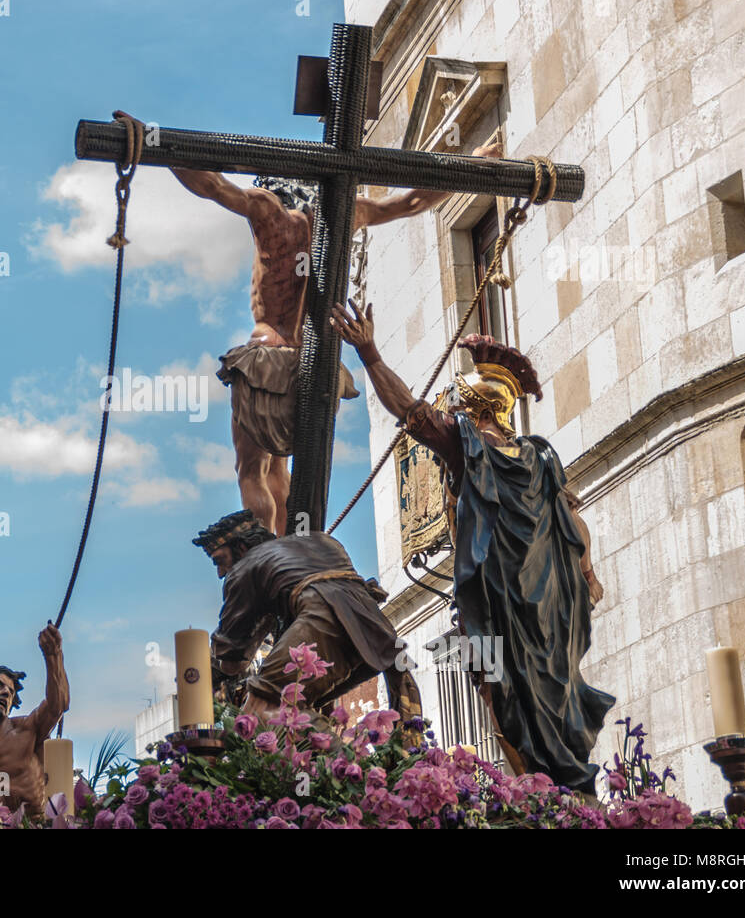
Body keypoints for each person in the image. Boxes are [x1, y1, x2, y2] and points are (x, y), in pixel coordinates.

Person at [330, 300, 613, 792]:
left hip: (500, 612)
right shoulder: (540, 458)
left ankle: (544, 804)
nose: (452, 411)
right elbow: (575, 525)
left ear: (475, 409)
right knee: (554, 709)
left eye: (459, 405)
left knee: (507, 706)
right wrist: (587, 577)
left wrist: (371, 354)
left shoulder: (469, 448)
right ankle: (570, 798)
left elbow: (409, 412)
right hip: (552, 617)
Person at [171, 140, 503, 536]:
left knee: (252, 468)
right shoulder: (348, 214)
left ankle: (263, 552)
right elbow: (413, 202)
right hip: (315, 364)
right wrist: (473, 164)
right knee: (281, 468)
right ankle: (289, 544)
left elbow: (213, 186)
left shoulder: (267, 210)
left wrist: (160, 148)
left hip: (266, 355)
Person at [195, 509, 421, 722]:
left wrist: (208, 666)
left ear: (241, 548)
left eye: (219, 561)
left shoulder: (245, 567)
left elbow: (233, 659)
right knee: (301, 702)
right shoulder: (322, 541)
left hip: (323, 618)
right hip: (373, 631)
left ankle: (342, 763)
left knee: (267, 708)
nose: (220, 573)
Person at [0, 622, 69, 822]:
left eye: (10, 691)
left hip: (36, 825)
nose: (6, 692)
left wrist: (53, 655)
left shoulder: (28, 729)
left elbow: (57, 705)